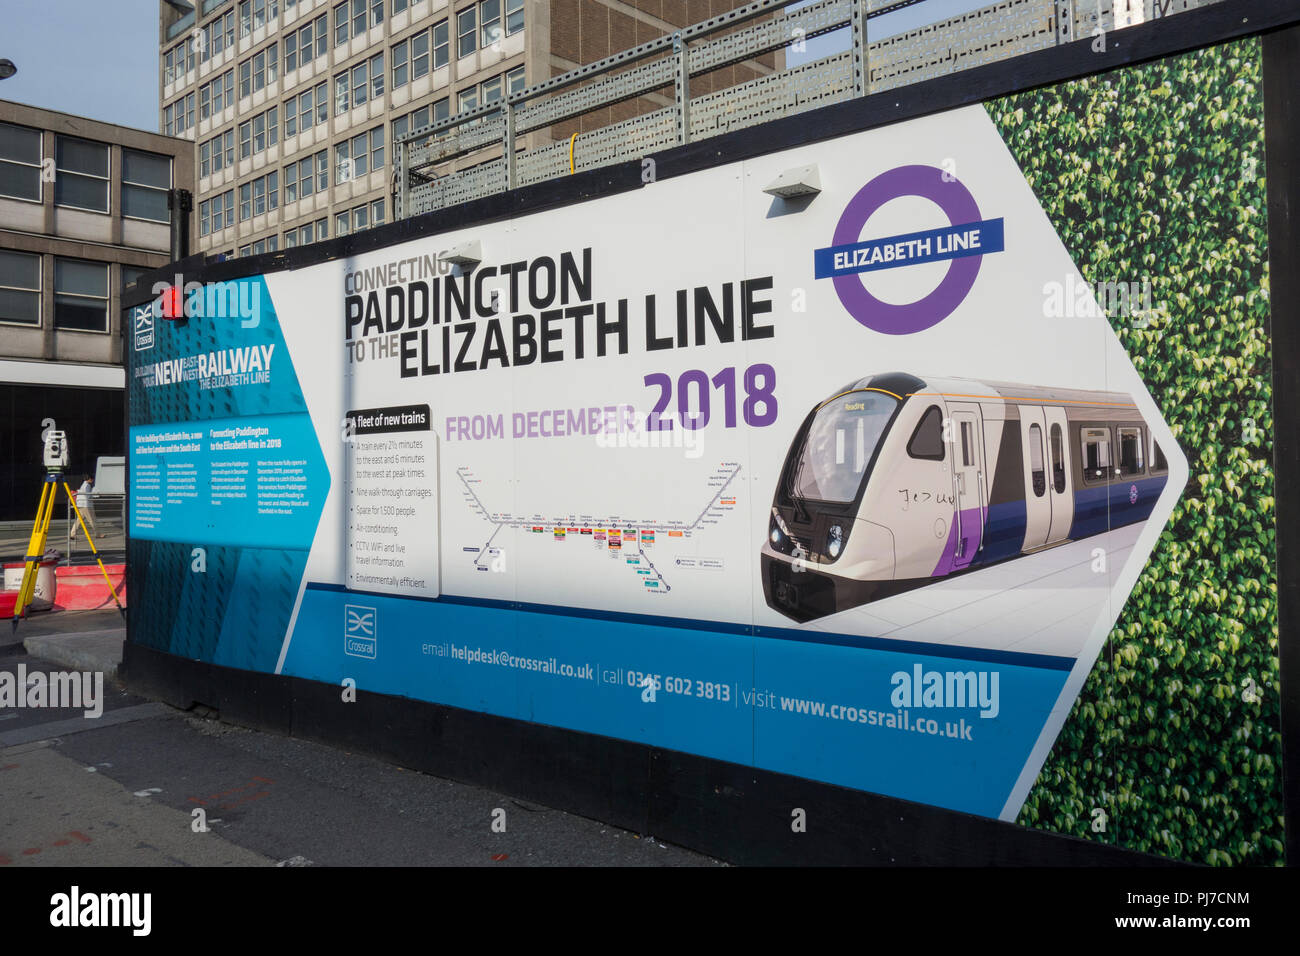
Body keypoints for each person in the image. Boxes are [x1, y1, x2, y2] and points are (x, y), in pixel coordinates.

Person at [71, 475, 95, 544]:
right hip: (85, 505)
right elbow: (87, 495)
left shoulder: (83, 484)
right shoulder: (87, 485)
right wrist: (93, 495)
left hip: (80, 504)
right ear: (90, 479)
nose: (92, 481)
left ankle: (72, 534)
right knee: (91, 520)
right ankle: (97, 534)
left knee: (79, 520)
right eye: (92, 479)